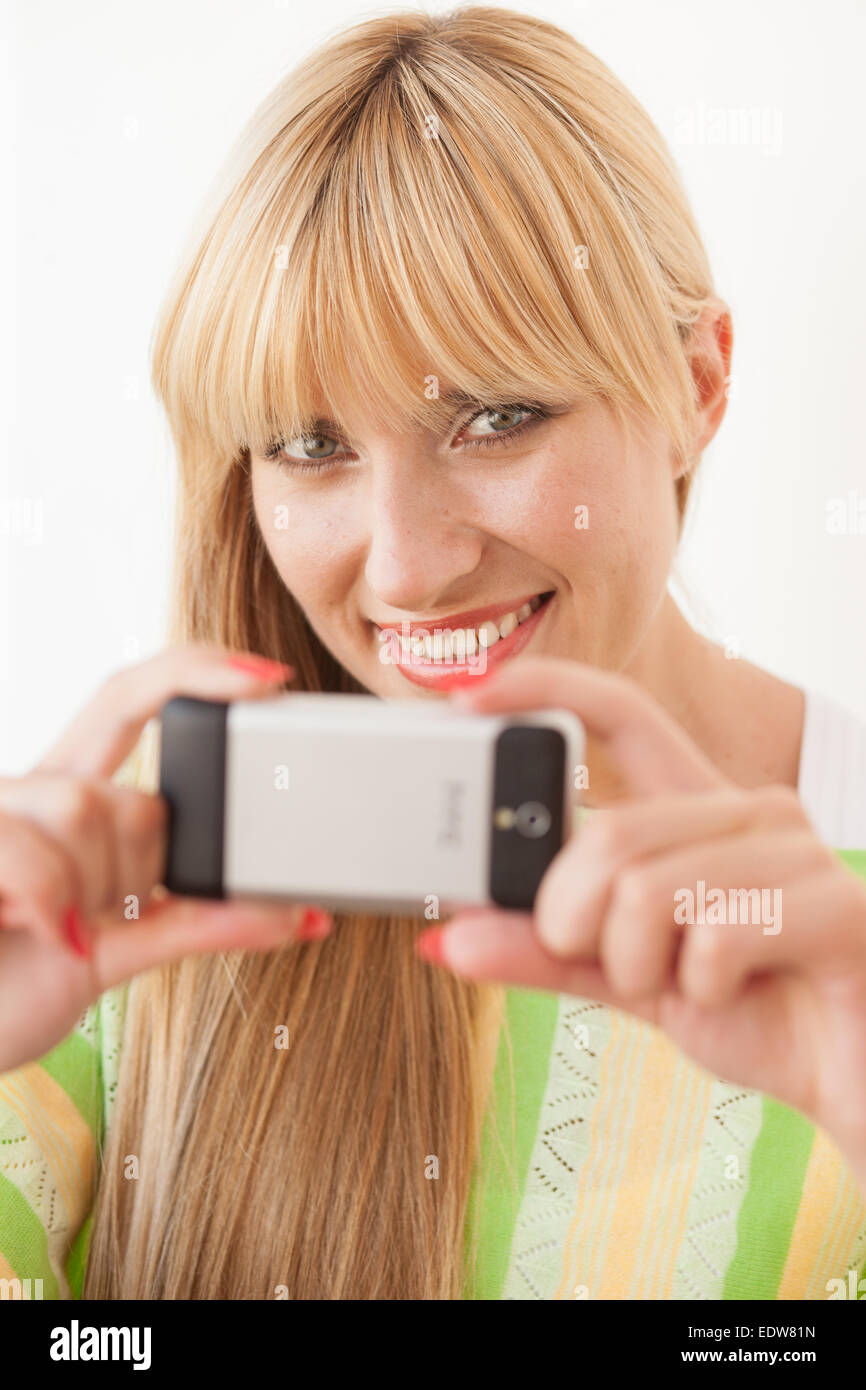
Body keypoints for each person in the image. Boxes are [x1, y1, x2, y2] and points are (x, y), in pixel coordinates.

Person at [1, 6, 865, 1301]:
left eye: (494, 417)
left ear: (697, 384)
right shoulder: (121, 905)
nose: (402, 567)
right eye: (309, 443)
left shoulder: (832, 925)